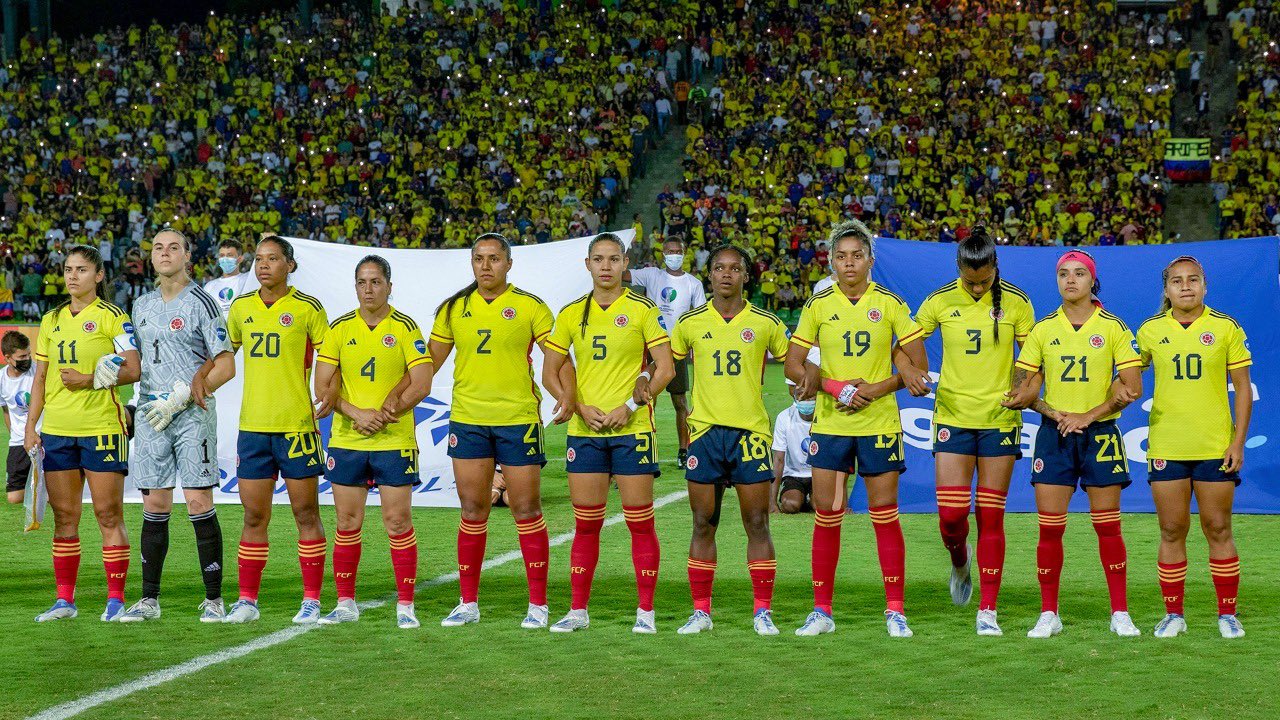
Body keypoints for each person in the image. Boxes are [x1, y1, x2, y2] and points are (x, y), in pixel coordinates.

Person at [785, 220, 930, 638]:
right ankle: (821, 611)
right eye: (841, 256)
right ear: (831, 262)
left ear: (871, 260)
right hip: (830, 423)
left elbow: (916, 365)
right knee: (827, 516)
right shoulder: (818, 304)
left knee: (885, 517)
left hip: (879, 422)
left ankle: (895, 611)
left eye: (857, 255)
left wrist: (873, 388)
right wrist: (835, 387)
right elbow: (794, 364)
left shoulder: (890, 303)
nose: (849, 263)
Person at [428, 233, 571, 630]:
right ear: (471, 264)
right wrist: (396, 399)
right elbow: (428, 364)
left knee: (527, 511)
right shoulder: (454, 309)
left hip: (518, 419)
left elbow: (558, 356)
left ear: (509, 264)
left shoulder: (530, 306)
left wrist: (568, 393)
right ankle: (467, 603)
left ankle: (538, 604)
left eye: (493, 258)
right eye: (478, 259)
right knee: (473, 511)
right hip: (469, 420)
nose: (486, 266)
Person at [1004, 249, 1144, 638]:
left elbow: (1132, 386)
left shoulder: (1114, 327)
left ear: (1092, 281)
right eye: (1064, 273)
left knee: (1108, 527)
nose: (1071, 280)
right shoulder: (1042, 329)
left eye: (1079, 273)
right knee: (1049, 529)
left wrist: (1088, 415)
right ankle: (1049, 612)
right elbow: (1023, 387)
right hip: (1055, 435)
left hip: (1100, 436)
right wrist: (1054, 412)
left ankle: (1120, 612)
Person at [542, 232, 675, 633]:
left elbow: (665, 368)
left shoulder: (643, 310)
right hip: (585, 432)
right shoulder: (569, 314)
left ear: (624, 264)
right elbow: (550, 372)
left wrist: (631, 406)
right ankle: (577, 611)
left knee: (640, 522)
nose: (605, 266)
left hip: (632, 430)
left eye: (613, 259)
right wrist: (578, 405)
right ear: (587, 265)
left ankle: (646, 612)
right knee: (586, 523)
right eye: (598, 259)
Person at [913, 227, 1035, 636]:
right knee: (951, 517)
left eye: (985, 280)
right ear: (959, 268)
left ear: (995, 267)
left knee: (990, 515)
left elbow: (1031, 357)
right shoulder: (940, 300)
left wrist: (1020, 389)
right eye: (971, 280)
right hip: (952, 416)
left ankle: (988, 610)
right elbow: (907, 339)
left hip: (999, 420)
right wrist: (911, 370)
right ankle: (960, 564)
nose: (978, 287)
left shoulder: (1017, 302)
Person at [669, 244, 790, 636]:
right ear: (710, 276)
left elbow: (796, 362)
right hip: (704, 433)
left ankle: (762, 612)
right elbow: (666, 364)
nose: (725, 274)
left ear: (745, 276)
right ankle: (701, 612)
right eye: (719, 268)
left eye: (734, 268)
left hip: (750, 433)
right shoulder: (689, 323)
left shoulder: (767, 322)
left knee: (757, 522)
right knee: (703, 522)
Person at [117, 230, 236, 623]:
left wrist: (182, 397)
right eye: (158, 248)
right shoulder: (141, 304)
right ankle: (149, 600)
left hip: (191, 415)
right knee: (154, 503)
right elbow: (138, 363)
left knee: (199, 501)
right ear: (151, 258)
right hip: (152, 416)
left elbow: (225, 364)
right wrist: (112, 372)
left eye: (173, 247)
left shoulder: (202, 301)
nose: (165, 254)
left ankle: (215, 600)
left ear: (187, 256)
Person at [312, 255, 433, 629]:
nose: (369, 289)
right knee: (347, 522)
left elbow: (422, 382)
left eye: (376, 282)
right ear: (355, 287)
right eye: (362, 282)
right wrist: (356, 413)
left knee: (397, 522)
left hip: (393, 440)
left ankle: (406, 605)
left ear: (389, 286)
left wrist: (385, 414)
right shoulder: (339, 328)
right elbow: (322, 384)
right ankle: (346, 603)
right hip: (348, 439)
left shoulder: (406, 327)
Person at [1137, 256, 1251, 639]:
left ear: (1205, 286)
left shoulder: (1225, 328)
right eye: (1176, 281)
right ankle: (1174, 615)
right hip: (1167, 443)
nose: (1185, 286)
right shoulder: (1150, 331)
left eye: (1193, 280)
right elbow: (1128, 377)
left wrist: (1237, 441)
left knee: (1218, 527)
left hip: (1214, 446)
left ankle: (1228, 614)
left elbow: (1244, 391)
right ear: (1166, 290)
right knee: (1171, 529)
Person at [28, 245, 140, 622]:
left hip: (102, 429)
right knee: (64, 518)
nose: (72, 275)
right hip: (58, 431)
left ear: (99, 276)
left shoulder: (113, 317)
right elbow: (40, 378)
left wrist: (89, 380)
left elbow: (133, 368)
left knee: (108, 515)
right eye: (67, 269)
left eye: (81, 269)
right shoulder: (51, 320)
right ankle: (65, 602)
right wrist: (31, 427)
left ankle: (115, 600)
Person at [222, 236, 330, 625]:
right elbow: (222, 357)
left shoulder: (308, 308)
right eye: (260, 260)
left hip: (296, 426)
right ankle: (247, 600)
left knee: (306, 513)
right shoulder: (241, 308)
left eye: (273, 259)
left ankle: (312, 599)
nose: (263, 265)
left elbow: (330, 357)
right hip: (253, 428)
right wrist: (194, 384)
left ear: (290, 265)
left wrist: (327, 392)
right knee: (253, 517)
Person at [623, 236, 706, 468]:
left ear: (685, 252)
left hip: (677, 349)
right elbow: (623, 274)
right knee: (648, 401)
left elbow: (699, 318)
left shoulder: (693, 284)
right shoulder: (652, 274)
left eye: (677, 250)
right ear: (662, 254)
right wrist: (623, 249)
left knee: (680, 402)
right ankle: (646, 447)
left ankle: (683, 450)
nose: (673, 254)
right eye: (669, 251)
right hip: (652, 346)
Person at [771, 378, 815, 514]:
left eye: (810, 397)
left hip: (819, 475)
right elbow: (778, 459)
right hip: (794, 476)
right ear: (795, 397)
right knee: (790, 505)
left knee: (822, 506)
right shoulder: (784, 418)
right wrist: (771, 502)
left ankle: (812, 500)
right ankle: (801, 498)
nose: (806, 401)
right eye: (801, 396)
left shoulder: (825, 417)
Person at [1, 331, 35, 503]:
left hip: (44, 436)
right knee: (14, 498)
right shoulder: (1, 379)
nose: (27, 359)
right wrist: (15, 434)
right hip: (19, 441)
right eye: (22, 356)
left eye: (29, 354)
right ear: (7, 358)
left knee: (55, 495)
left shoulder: (38, 372)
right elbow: (6, 410)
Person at [204, 239, 257, 316]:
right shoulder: (209, 286)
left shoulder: (248, 279)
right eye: (222, 255)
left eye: (229, 255)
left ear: (240, 259)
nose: (225, 259)